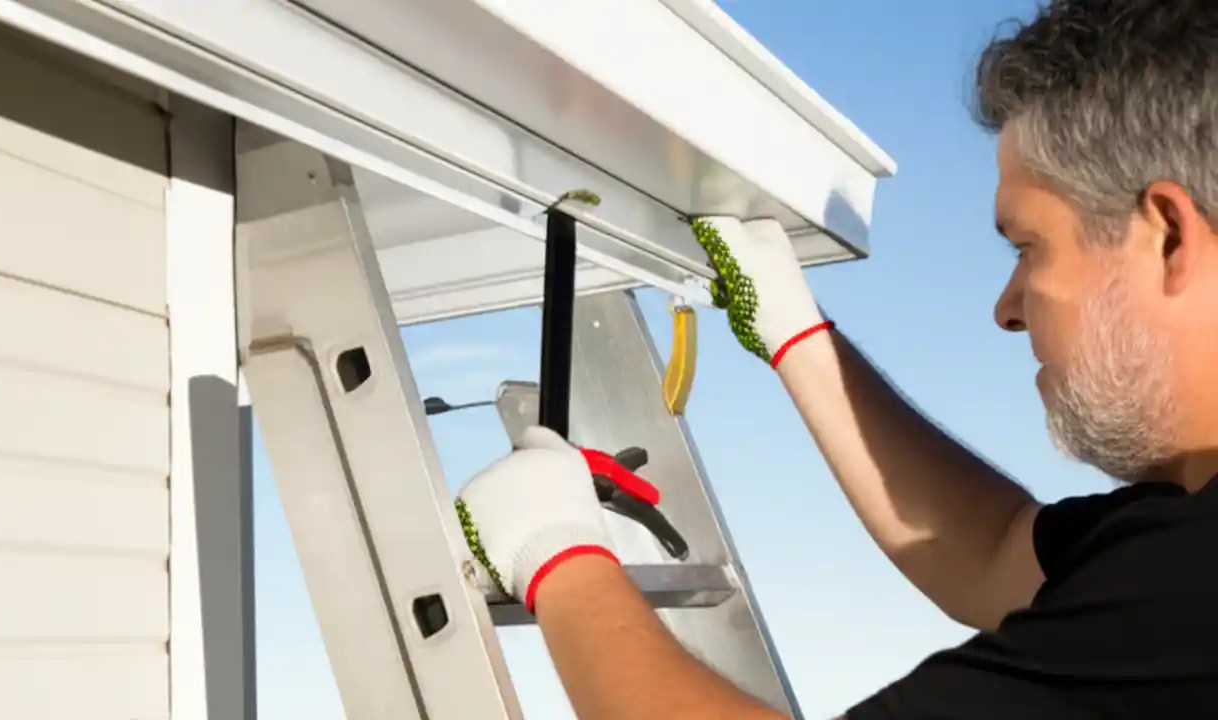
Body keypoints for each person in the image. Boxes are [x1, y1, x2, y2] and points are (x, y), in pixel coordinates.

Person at [454, 1, 1218, 718]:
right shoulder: (1168, 560)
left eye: (1028, 247)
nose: (1008, 307)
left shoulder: (1191, 587)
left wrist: (556, 555)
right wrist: (799, 339)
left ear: (1169, 237)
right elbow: (991, 553)